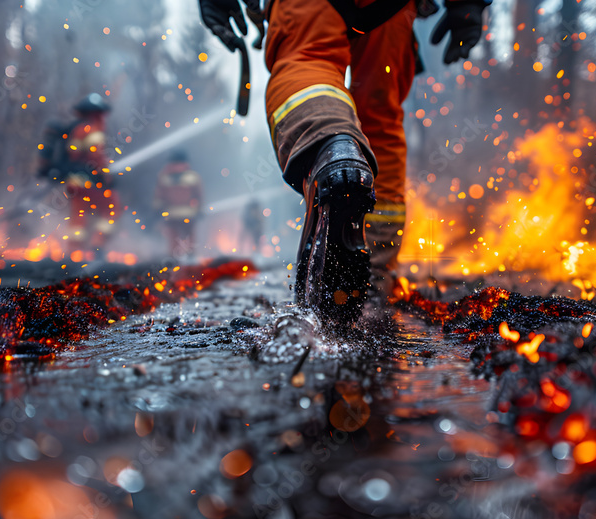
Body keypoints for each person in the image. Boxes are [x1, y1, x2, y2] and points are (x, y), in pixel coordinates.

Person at [199, 0, 489, 326]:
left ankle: (332, 145)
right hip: (390, 10)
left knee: (307, 62)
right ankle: (374, 272)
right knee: (380, 114)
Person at [39, 93, 120, 257]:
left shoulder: (77, 129)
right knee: (112, 206)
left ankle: (74, 252)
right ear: (96, 113)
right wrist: (107, 177)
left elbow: (75, 155)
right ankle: (98, 245)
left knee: (79, 215)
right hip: (87, 181)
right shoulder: (92, 130)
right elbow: (96, 156)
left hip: (74, 182)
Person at [154, 151, 204, 258]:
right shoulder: (193, 176)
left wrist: (157, 210)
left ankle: (174, 259)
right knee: (190, 236)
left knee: (173, 237)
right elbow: (199, 196)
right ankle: (191, 257)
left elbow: (159, 197)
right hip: (189, 214)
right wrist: (200, 209)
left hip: (171, 215)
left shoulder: (164, 176)